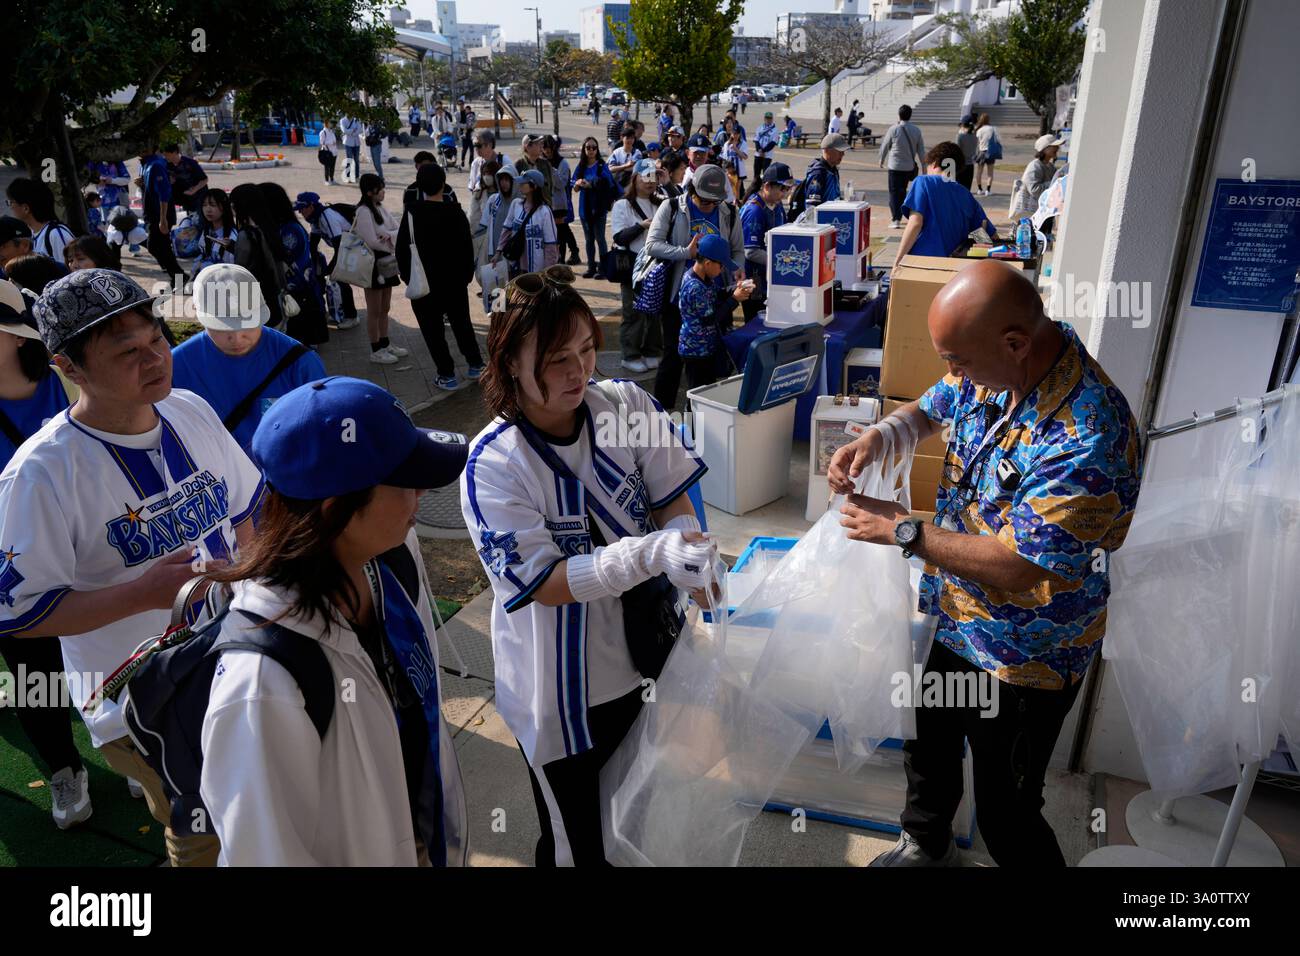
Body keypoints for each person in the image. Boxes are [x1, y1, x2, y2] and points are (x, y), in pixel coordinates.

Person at [829, 260, 1142, 867]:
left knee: (1007, 811)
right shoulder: (997, 363)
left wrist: (902, 529)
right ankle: (926, 843)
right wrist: (883, 435)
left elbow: (1018, 566)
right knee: (931, 749)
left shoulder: (1089, 434)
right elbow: (933, 404)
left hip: (1025, 657)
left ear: (1016, 343)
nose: (953, 373)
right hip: (955, 617)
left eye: (958, 361)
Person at [0, 268, 266, 866]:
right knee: (197, 829)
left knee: (259, 811)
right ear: (67, 366)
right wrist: (143, 592)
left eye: (158, 340)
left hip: (235, 660)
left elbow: (245, 512)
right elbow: (17, 617)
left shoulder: (190, 410)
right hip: (138, 702)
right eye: (127, 352)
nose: (154, 361)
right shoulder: (40, 474)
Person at [460, 271, 715, 865]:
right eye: (556, 360)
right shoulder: (494, 464)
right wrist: (650, 553)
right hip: (561, 691)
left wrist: (689, 548)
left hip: (644, 657)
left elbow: (671, 495)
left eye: (586, 350)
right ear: (510, 364)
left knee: (634, 818)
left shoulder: (623, 404)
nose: (579, 372)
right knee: (577, 844)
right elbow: (543, 584)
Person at [201, 376, 470, 866]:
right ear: (334, 511)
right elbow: (264, 855)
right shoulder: (262, 685)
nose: (423, 492)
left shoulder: (389, 562)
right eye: (405, 480)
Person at [0, 278, 89, 830]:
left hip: (94, 550)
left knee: (120, 656)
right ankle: (64, 767)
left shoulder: (69, 380)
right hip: (13, 567)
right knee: (36, 676)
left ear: (12, 334)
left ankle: (131, 744)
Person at [171, 263, 326, 453]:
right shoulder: (173, 367)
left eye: (247, 322)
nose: (236, 337)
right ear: (197, 312)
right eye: (222, 326)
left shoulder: (300, 362)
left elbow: (319, 432)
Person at [642, 165, 745, 409]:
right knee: (672, 357)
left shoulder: (728, 212)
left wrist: (737, 270)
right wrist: (684, 252)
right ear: (692, 191)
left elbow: (737, 250)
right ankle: (662, 411)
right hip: (679, 293)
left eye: (714, 202)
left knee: (706, 362)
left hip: (714, 292)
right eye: (705, 201)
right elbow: (652, 245)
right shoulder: (673, 207)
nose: (710, 206)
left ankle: (699, 412)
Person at [396, 163, 485, 392]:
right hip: (454, 282)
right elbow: (467, 248)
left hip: (424, 284)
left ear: (419, 185)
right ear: (443, 184)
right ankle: (475, 364)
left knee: (433, 331)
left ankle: (446, 374)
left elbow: (402, 250)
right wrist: (465, 277)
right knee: (462, 323)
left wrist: (408, 278)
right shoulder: (455, 211)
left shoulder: (412, 213)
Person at [893, 142, 997, 265]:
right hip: (955, 269)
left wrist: (898, 261)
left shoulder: (923, 182)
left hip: (922, 264)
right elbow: (985, 236)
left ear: (935, 163)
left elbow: (915, 223)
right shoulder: (966, 195)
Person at [610, 160, 664, 373]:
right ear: (635, 178)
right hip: (633, 267)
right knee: (633, 313)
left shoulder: (660, 202)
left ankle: (652, 350)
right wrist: (641, 226)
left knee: (653, 312)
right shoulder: (622, 205)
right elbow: (619, 237)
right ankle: (630, 354)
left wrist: (667, 183)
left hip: (656, 266)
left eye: (654, 176)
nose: (651, 181)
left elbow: (679, 207)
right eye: (646, 176)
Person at [678, 234, 752, 390]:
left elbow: (717, 293)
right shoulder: (694, 286)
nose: (722, 269)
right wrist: (734, 299)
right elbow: (710, 319)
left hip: (706, 349)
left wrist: (736, 288)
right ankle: (691, 415)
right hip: (695, 351)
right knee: (697, 393)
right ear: (707, 263)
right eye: (721, 265)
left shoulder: (704, 278)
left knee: (708, 390)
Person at [352, 173, 405, 364]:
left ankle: (385, 343)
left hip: (386, 262)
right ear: (369, 192)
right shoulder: (363, 211)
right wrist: (390, 239)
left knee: (385, 307)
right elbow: (372, 241)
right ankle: (376, 350)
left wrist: (388, 236)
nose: (383, 192)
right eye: (379, 188)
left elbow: (397, 228)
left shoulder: (379, 207)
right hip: (373, 264)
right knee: (374, 310)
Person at [294, 192, 360, 331]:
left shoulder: (326, 217)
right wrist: (314, 265)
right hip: (346, 246)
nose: (300, 212)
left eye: (303, 208)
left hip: (355, 246)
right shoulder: (315, 218)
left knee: (340, 278)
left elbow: (339, 248)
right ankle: (340, 311)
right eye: (299, 209)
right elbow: (313, 244)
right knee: (334, 276)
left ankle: (352, 316)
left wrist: (329, 270)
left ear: (311, 206)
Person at [739, 162, 793, 323]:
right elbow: (750, 251)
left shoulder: (777, 206)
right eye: (783, 188)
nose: (786, 193)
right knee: (756, 323)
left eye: (788, 189)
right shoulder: (754, 211)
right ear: (768, 186)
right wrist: (781, 260)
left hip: (770, 276)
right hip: (754, 280)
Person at [229, 183, 287, 331]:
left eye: (233, 204)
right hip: (274, 293)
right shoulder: (268, 227)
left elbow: (240, 269)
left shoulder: (246, 234)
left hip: (257, 299)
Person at [570, 138, 617, 278]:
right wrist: (577, 184)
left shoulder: (602, 166)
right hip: (585, 209)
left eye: (594, 147)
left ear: (597, 150)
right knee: (589, 240)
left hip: (599, 209)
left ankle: (603, 269)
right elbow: (574, 182)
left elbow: (608, 183)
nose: (591, 150)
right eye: (588, 147)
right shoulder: (581, 166)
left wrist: (591, 184)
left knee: (600, 239)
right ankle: (591, 267)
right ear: (584, 149)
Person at [137, 145, 185, 282]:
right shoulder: (146, 164)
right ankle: (178, 277)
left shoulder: (155, 165)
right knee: (161, 247)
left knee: (155, 246)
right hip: (153, 214)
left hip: (159, 215)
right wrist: (142, 184)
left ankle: (179, 277)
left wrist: (163, 219)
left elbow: (164, 193)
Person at [496, 170, 557, 277]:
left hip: (537, 269)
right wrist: (498, 252)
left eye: (524, 183)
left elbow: (550, 244)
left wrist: (548, 272)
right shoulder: (516, 205)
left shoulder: (544, 211)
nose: (520, 184)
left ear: (534, 187)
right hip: (515, 264)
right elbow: (506, 230)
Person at [5, 179, 76, 265]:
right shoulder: (34, 232)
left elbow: (72, 272)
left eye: (11, 202)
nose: (10, 206)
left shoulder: (55, 234)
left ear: (26, 208)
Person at [878, 105, 926, 228]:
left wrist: (881, 160)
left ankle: (896, 219)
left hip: (894, 166)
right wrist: (924, 166)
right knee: (902, 191)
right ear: (910, 115)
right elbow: (921, 150)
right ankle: (903, 213)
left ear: (899, 115)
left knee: (894, 192)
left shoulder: (893, 129)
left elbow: (885, 146)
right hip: (908, 167)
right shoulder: (916, 130)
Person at [1012, 134, 1066, 235]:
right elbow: (1034, 189)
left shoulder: (1050, 167)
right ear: (1044, 149)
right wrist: (1054, 184)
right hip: (1032, 216)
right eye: (1054, 146)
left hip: (1043, 215)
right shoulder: (1035, 166)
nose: (1057, 148)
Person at [542, 136, 581, 267]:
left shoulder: (562, 163)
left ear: (553, 148)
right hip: (546, 204)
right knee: (555, 232)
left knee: (561, 232)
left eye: (548, 148)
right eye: (544, 148)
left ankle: (562, 260)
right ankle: (567, 255)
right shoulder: (541, 162)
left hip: (559, 204)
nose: (546, 151)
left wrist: (551, 170)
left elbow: (561, 184)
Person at [193, 188, 238, 278]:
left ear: (224, 207)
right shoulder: (206, 231)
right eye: (204, 205)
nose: (208, 209)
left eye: (213, 205)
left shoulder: (232, 236)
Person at [799, 132, 847, 213]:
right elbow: (812, 206)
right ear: (827, 150)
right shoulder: (818, 173)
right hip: (823, 221)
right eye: (840, 151)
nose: (843, 154)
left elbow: (834, 197)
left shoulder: (833, 169)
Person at [682, 134, 735, 203]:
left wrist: (714, 204)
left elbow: (730, 197)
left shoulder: (718, 173)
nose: (699, 156)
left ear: (707, 154)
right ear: (687, 153)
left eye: (702, 153)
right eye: (696, 152)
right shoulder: (681, 173)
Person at [162, 143, 209, 213]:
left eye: (167, 155)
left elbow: (204, 179)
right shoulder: (167, 165)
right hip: (184, 198)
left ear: (174, 152)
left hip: (198, 196)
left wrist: (194, 190)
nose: (165, 157)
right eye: (164, 155)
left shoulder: (190, 163)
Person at [973, 112, 1000, 196]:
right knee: (990, 173)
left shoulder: (979, 130)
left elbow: (977, 142)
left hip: (981, 152)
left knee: (979, 172)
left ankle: (979, 189)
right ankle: (988, 190)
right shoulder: (992, 129)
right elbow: (997, 139)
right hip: (990, 152)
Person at [720, 127, 749, 194]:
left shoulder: (743, 143)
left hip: (739, 168)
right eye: (734, 133)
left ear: (739, 134)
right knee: (728, 187)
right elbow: (724, 157)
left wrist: (736, 149)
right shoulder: (727, 144)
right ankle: (729, 202)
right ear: (731, 134)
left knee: (737, 188)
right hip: (729, 168)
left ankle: (736, 202)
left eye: (737, 134)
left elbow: (745, 157)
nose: (735, 135)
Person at [753, 112, 778, 182]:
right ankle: (755, 187)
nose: (768, 120)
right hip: (758, 154)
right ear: (764, 118)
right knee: (756, 174)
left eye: (770, 118)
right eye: (767, 118)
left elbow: (773, 143)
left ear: (772, 119)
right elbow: (756, 140)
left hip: (767, 155)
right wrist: (759, 150)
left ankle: (763, 187)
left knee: (765, 173)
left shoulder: (775, 130)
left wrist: (764, 151)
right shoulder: (759, 128)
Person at [339, 114, 363, 185]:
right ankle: (348, 176)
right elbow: (344, 130)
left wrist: (351, 132)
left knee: (356, 160)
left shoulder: (356, 120)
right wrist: (353, 130)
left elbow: (360, 130)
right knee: (349, 159)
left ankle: (357, 176)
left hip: (356, 142)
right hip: (348, 142)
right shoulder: (343, 120)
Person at [956, 119, 978, 192]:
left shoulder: (960, 137)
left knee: (958, 189)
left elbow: (957, 151)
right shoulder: (975, 137)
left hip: (961, 165)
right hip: (970, 165)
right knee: (967, 189)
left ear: (963, 125)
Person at [318, 119, 339, 185]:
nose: (331, 124)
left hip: (334, 152)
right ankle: (326, 180)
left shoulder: (331, 131)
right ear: (326, 123)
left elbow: (334, 140)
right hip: (327, 152)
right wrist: (331, 143)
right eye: (330, 123)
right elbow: (322, 142)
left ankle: (332, 179)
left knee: (332, 167)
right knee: (327, 167)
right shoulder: (323, 132)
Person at [459, 102, 477, 170]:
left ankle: (470, 162)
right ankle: (463, 161)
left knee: (471, 150)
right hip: (465, 135)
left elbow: (474, 124)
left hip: (470, 135)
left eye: (467, 110)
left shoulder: (472, 115)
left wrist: (470, 127)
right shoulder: (463, 115)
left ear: (469, 110)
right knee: (464, 149)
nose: (466, 111)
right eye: (466, 110)